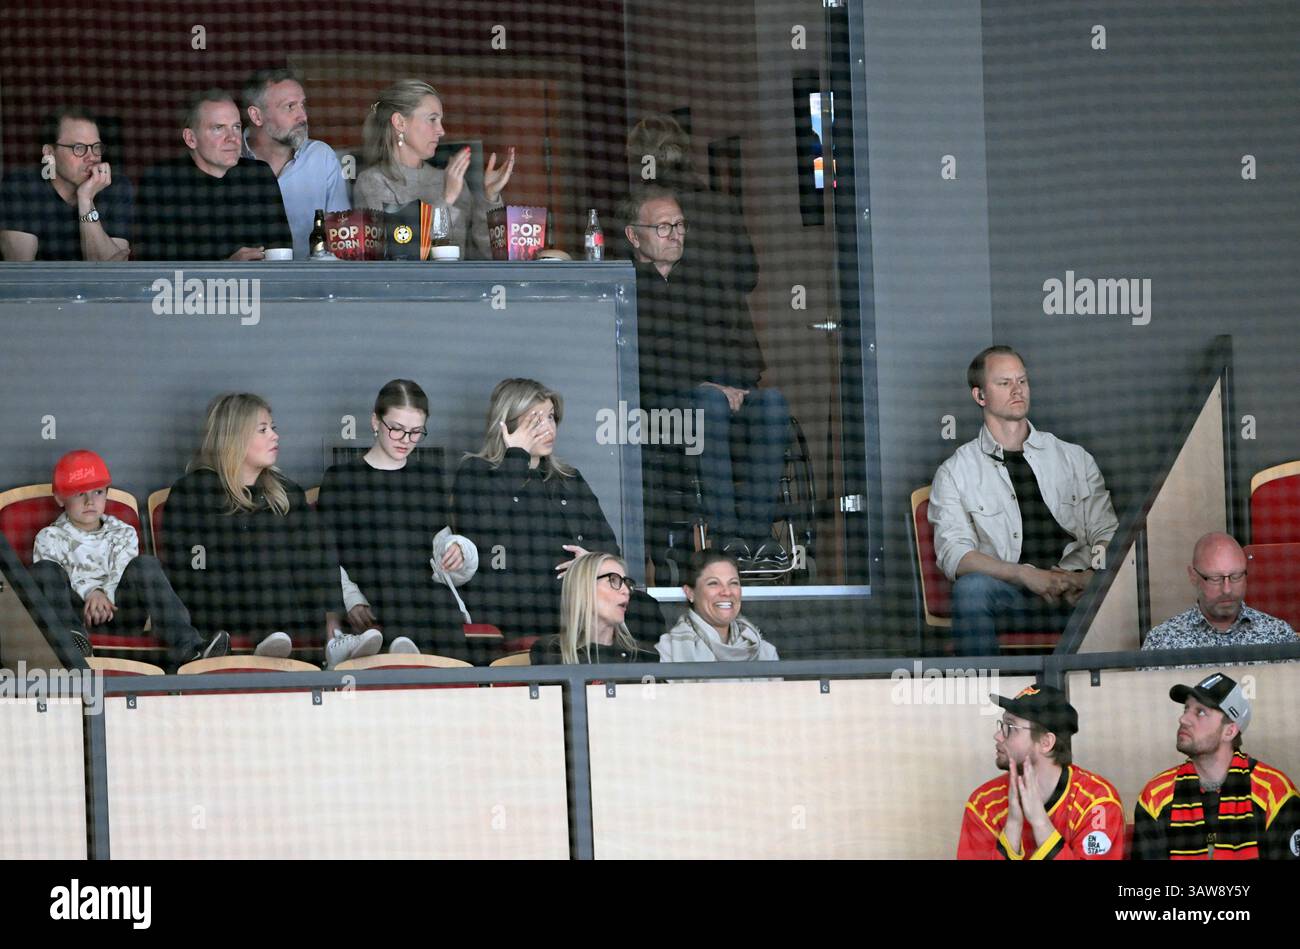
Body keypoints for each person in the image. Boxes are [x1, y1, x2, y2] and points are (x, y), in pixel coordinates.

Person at [623, 183, 789, 565]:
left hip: (720, 399)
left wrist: (738, 386)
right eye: (663, 227)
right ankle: (726, 536)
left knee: (772, 403)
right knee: (708, 402)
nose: (676, 235)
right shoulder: (625, 286)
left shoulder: (706, 281)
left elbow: (741, 345)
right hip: (658, 413)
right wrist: (705, 386)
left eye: (679, 225)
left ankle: (756, 535)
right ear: (634, 235)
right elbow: (637, 364)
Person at [163, 392, 379, 669]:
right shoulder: (194, 491)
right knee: (263, 540)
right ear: (234, 436)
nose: (274, 436)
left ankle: (332, 637)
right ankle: (267, 638)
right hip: (217, 607)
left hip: (287, 608)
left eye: (273, 428)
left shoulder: (286, 492)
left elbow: (317, 554)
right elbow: (188, 566)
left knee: (317, 536)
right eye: (263, 430)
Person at [928, 345, 1119, 655]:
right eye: (1004, 383)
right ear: (980, 396)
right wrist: (1025, 574)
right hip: (1012, 594)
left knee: (1123, 586)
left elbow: (1107, 534)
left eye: (1022, 381)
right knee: (971, 590)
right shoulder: (955, 471)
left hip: (1077, 592)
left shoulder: (1074, 458)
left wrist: (1087, 578)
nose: (1017, 390)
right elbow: (955, 554)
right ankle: (983, 700)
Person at [452, 378, 664, 643]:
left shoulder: (569, 479)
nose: (548, 427)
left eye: (550, 417)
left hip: (577, 596)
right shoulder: (476, 472)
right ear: (507, 425)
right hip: (518, 602)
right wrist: (516, 455)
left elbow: (612, 552)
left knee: (648, 613)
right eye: (535, 420)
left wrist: (590, 564)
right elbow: (481, 528)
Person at [316, 379, 478, 660]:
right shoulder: (341, 479)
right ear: (375, 422)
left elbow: (441, 548)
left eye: (416, 432)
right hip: (374, 592)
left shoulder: (429, 478)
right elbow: (327, 553)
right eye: (397, 429)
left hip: (424, 595)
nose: (406, 440)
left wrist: (457, 551)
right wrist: (351, 598)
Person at [30, 450, 227, 670]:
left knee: (145, 564)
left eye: (97, 492)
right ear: (60, 497)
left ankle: (191, 648)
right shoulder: (49, 537)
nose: (89, 501)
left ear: (107, 493)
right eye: (79, 494)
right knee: (45, 570)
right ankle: (69, 644)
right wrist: (90, 593)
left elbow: (121, 568)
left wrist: (103, 593)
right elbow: (54, 582)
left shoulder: (124, 532)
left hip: (120, 614)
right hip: (76, 618)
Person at [1134, 672, 1300, 860]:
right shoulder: (1155, 796)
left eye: (1201, 712)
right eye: (1186, 709)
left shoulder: (1275, 793)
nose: (1183, 719)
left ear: (1229, 731)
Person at [352, 79, 515, 260]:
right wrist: (446, 198)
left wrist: (490, 198)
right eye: (432, 119)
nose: (441, 131)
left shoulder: (450, 179)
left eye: (440, 121)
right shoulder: (373, 182)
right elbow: (394, 254)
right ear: (400, 123)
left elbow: (488, 256)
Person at [958, 684, 1125, 860]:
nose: (998, 736)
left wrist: (1040, 822)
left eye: (1010, 727)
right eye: (1002, 724)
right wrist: (1013, 827)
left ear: (1046, 742)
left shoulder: (1097, 803)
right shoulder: (983, 804)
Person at [134, 89, 293, 260]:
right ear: (190, 139)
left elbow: (281, 250)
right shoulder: (163, 182)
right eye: (218, 128)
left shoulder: (258, 176)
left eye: (236, 127)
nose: (233, 138)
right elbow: (152, 266)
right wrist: (226, 268)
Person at [620, 113, 757, 294]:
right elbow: (749, 277)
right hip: (731, 319)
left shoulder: (638, 212)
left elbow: (625, 284)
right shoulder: (722, 204)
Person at [241, 68, 350, 259]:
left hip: (312, 284)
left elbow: (343, 239)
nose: (303, 117)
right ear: (256, 116)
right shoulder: (228, 160)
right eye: (290, 106)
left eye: (303, 105)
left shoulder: (321, 158)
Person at [0, 106, 132, 261]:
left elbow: (112, 275)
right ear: (49, 153)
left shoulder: (115, 187)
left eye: (96, 147)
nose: (92, 157)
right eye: (79, 148)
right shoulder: (22, 186)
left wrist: (86, 200)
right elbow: (21, 273)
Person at [1142, 532, 1297, 650]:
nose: (1227, 589)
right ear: (1193, 576)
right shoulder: (1162, 642)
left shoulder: (1278, 636)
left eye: (1236, 576)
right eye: (1216, 579)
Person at [529, 552, 659, 664]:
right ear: (584, 588)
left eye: (626, 583)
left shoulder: (642, 656)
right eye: (613, 580)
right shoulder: (552, 652)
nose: (626, 591)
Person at [656, 550, 778, 662]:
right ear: (690, 592)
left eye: (733, 583)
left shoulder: (766, 653)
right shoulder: (667, 652)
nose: (727, 592)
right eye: (713, 583)